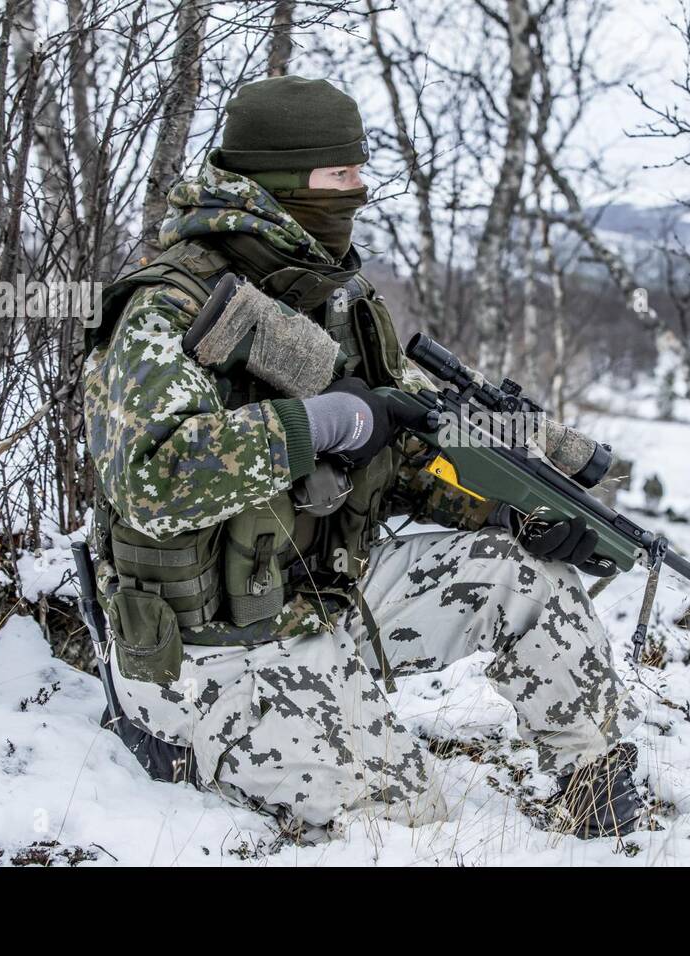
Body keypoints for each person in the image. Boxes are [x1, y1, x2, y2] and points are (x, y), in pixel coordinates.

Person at [82, 75, 642, 840]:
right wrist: (318, 424)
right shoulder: (165, 305)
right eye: (339, 174)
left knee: (524, 576)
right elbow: (152, 482)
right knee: (407, 829)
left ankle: (596, 793)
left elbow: (415, 447)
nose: (359, 189)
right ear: (281, 178)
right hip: (205, 646)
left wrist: (512, 507)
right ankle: (167, 740)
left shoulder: (336, 299)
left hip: (324, 594)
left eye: (358, 170)